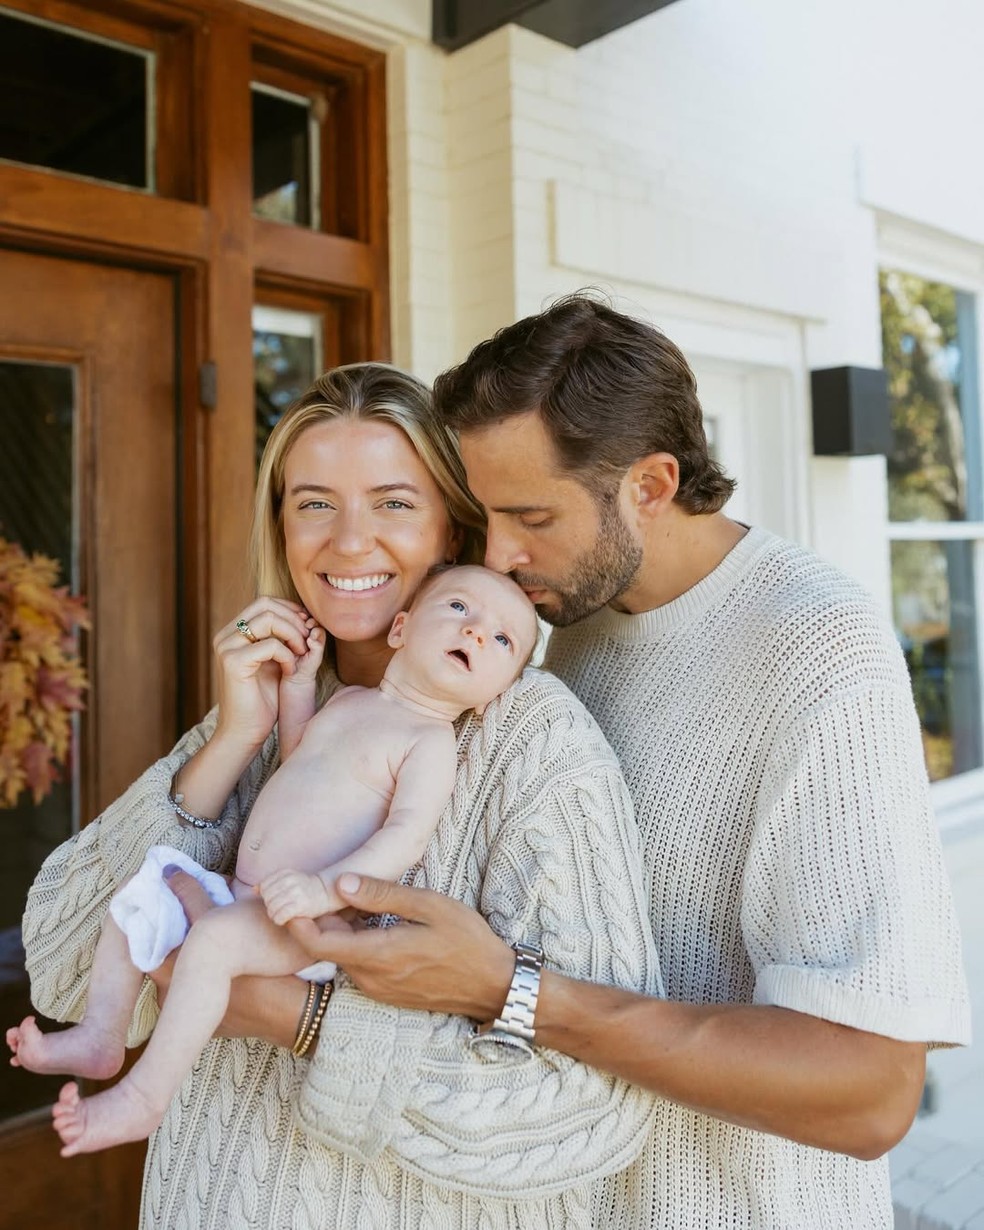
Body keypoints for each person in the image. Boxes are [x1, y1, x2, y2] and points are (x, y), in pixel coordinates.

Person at [288, 299, 972, 1229]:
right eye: (481, 516)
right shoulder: (561, 623)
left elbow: (871, 1091)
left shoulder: (819, 649)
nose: (497, 555)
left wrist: (506, 989)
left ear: (651, 484)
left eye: (531, 515)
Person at [19, 363, 661, 1227]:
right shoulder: (283, 700)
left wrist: (303, 1019)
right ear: (281, 527)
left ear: (453, 528)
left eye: (395, 503)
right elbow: (59, 967)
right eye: (314, 502)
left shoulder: (531, 737)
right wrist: (233, 740)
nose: (349, 541)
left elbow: (595, 1110)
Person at [9, 564, 539, 1157]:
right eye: (461, 609)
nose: (475, 634)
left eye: (502, 640)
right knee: (148, 880)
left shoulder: (429, 740)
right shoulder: (355, 701)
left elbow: (404, 837)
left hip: (302, 922)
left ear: (500, 689)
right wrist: (299, 683)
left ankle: (144, 1097)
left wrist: (326, 890)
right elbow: (297, 756)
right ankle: (102, 1031)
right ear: (401, 630)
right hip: (244, 892)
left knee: (209, 945)